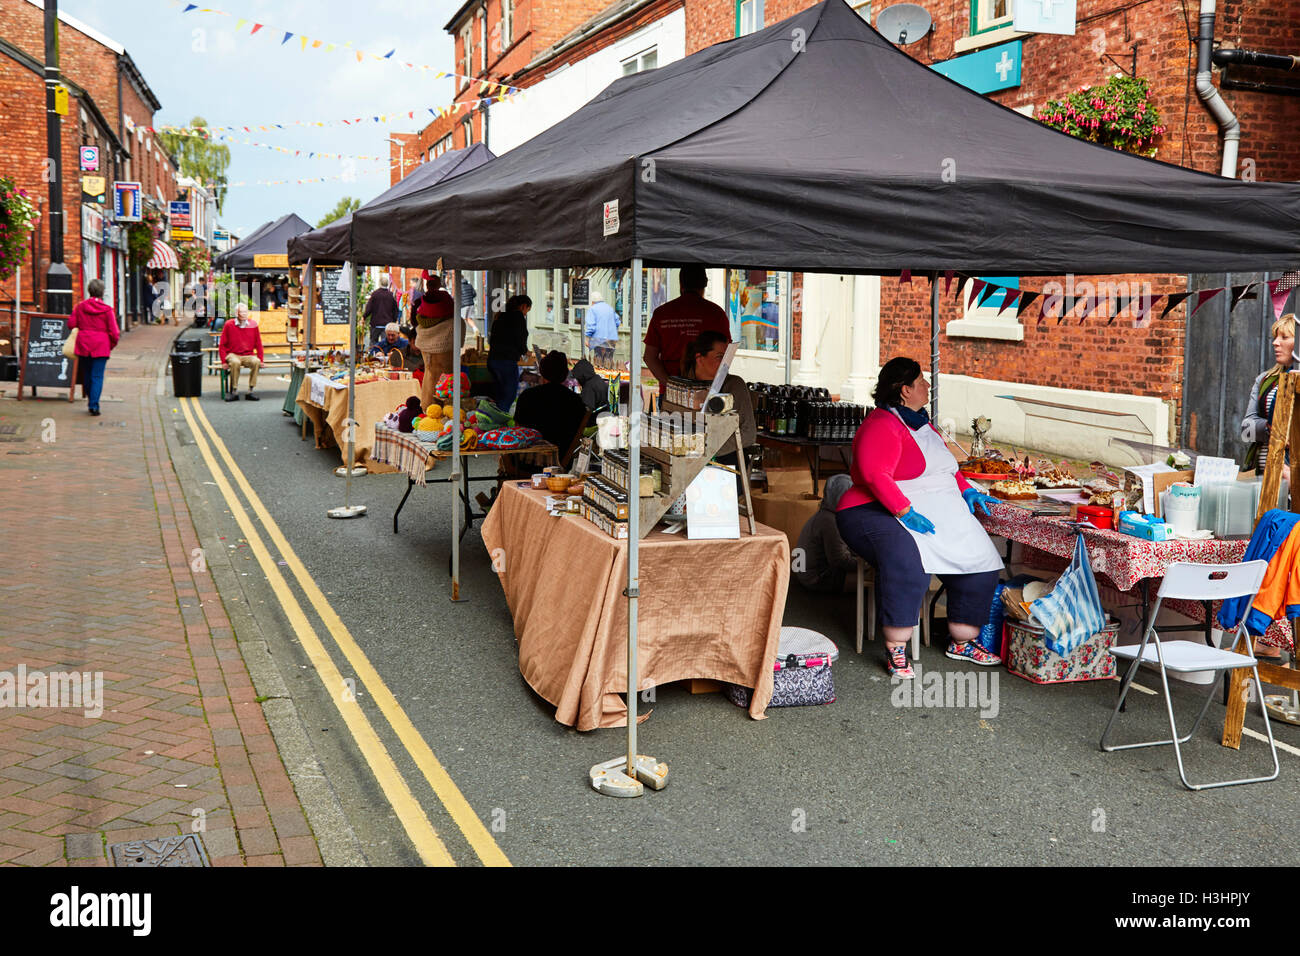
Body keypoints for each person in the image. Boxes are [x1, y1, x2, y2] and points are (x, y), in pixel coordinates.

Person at [835, 356, 1004, 679]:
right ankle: (896, 646)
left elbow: (945, 469)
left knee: (982, 557)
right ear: (904, 390)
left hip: (929, 509)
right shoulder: (882, 424)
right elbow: (874, 474)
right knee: (906, 559)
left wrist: (967, 490)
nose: (927, 385)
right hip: (870, 510)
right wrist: (905, 511)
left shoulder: (923, 424)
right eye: (921, 381)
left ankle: (962, 640)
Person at [1241, 313, 1295, 660]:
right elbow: (1246, 427)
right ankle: (1259, 636)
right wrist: (1270, 429)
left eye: (1284, 337)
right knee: (1261, 552)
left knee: (1283, 559)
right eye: (1275, 336)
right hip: (1260, 478)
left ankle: (1276, 640)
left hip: (1292, 483)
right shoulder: (1264, 380)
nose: (1276, 342)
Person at [682, 330, 756, 491]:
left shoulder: (734, 385)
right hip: (686, 465)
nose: (725, 363)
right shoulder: (681, 385)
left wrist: (707, 450)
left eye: (727, 358)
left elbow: (748, 434)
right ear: (699, 358)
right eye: (719, 357)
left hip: (726, 464)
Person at [644, 265, 731, 392]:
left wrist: (671, 385)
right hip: (707, 391)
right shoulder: (716, 314)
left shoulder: (662, 313)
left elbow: (649, 357)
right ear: (705, 283)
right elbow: (727, 355)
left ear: (681, 284)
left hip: (670, 393)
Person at [794, 474, 859, 593]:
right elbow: (839, 560)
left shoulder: (825, 514)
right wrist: (866, 564)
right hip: (815, 578)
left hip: (805, 573)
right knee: (872, 583)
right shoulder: (830, 521)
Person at [513, 350, 587, 454]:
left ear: (542, 372)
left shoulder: (527, 396)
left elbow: (517, 430)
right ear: (565, 374)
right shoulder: (575, 400)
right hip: (562, 457)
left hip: (528, 457)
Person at [68, 278, 120, 416]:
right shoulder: (107, 310)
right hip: (101, 346)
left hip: (84, 344)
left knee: (87, 374)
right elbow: (115, 333)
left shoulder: (80, 307)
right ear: (102, 292)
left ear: (89, 291)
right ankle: (94, 405)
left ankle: (92, 401)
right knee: (97, 376)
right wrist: (110, 345)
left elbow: (71, 324)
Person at [413, 270, 456, 410]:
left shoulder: (421, 304)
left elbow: (413, 321)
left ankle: (427, 408)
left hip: (428, 381)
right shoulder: (450, 321)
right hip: (446, 385)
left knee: (429, 379)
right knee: (443, 409)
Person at [487, 294, 531, 410]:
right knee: (508, 396)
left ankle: (495, 417)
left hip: (493, 360)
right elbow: (520, 338)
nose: (525, 314)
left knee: (499, 395)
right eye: (527, 310)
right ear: (523, 306)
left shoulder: (501, 315)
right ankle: (502, 419)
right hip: (506, 361)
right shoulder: (518, 316)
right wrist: (525, 351)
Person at [219, 302, 265, 402]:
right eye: (242, 312)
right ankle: (234, 391)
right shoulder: (228, 324)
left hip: (248, 355)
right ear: (236, 313)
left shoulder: (253, 324)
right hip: (232, 354)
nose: (244, 314)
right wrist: (223, 362)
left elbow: (258, 344)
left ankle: (250, 391)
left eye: (245, 312)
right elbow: (222, 345)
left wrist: (261, 360)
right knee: (235, 362)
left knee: (256, 361)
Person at [584, 290, 620, 367]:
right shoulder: (609, 308)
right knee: (608, 360)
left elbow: (591, 326)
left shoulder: (592, 309)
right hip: (611, 339)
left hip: (599, 339)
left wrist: (587, 339)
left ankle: (600, 373)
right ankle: (608, 373)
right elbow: (617, 322)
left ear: (592, 301)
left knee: (599, 361)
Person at [364, 273, 399, 345]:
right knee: (386, 344)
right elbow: (395, 309)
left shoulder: (375, 294)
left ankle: (374, 352)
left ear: (379, 283)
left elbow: (369, 308)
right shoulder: (391, 295)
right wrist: (394, 320)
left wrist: (364, 316)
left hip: (375, 323)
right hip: (387, 324)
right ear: (387, 284)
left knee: (373, 342)